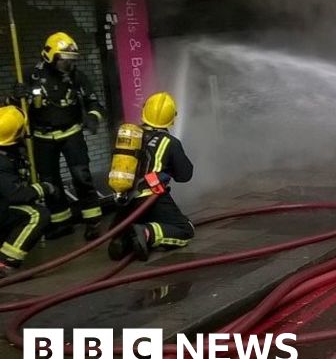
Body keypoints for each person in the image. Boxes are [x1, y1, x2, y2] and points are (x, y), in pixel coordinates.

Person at [21, 32, 105, 239]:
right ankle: (61, 222)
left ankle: (93, 222)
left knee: (81, 176)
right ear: (50, 56)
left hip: (71, 134)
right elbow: (15, 107)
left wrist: (93, 117)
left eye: (71, 61)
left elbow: (94, 103)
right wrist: (16, 96)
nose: (68, 66)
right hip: (42, 137)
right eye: (64, 61)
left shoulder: (77, 77)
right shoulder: (31, 76)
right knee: (50, 182)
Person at [108, 92, 194, 262]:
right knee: (185, 230)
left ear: (144, 112)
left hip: (127, 200)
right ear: (171, 118)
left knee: (130, 226)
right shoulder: (170, 142)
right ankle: (147, 232)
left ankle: (123, 240)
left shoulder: (130, 136)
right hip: (152, 199)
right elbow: (185, 176)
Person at [0, 106, 53, 277]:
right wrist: (44, 188)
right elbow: (15, 195)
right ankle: (5, 262)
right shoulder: (2, 161)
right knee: (37, 214)